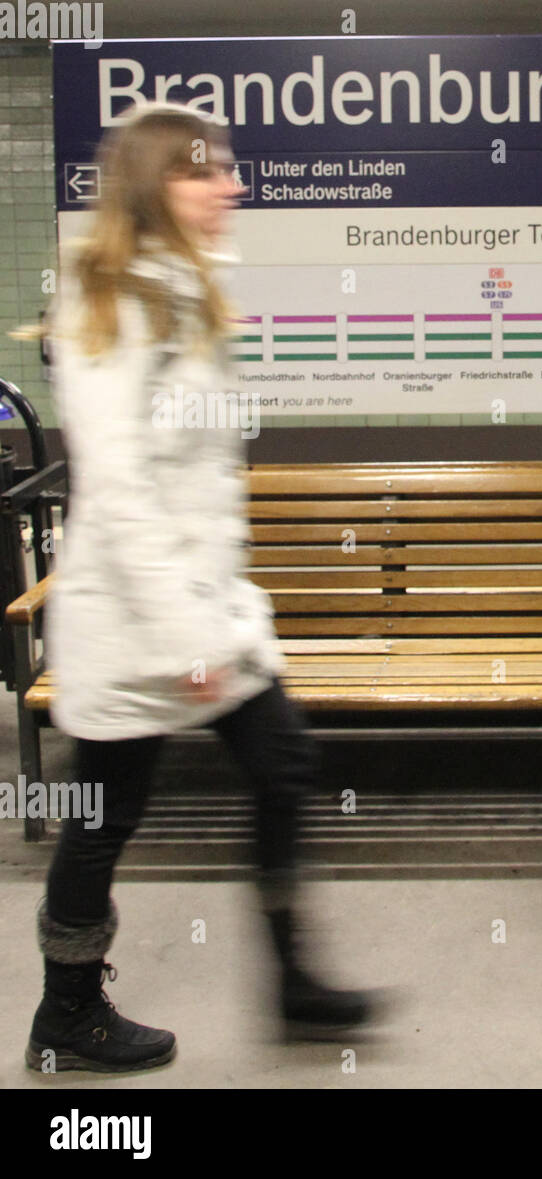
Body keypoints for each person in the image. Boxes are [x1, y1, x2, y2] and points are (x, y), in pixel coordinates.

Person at [28, 103, 373, 1074]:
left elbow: (201, 481)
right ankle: (67, 1012)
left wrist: (226, 614)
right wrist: (189, 633)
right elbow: (122, 485)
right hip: (139, 617)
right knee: (106, 814)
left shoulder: (185, 293)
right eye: (205, 171)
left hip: (199, 611)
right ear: (153, 184)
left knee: (280, 768)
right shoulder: (114, 302)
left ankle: (293, 984)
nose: (232, 185)